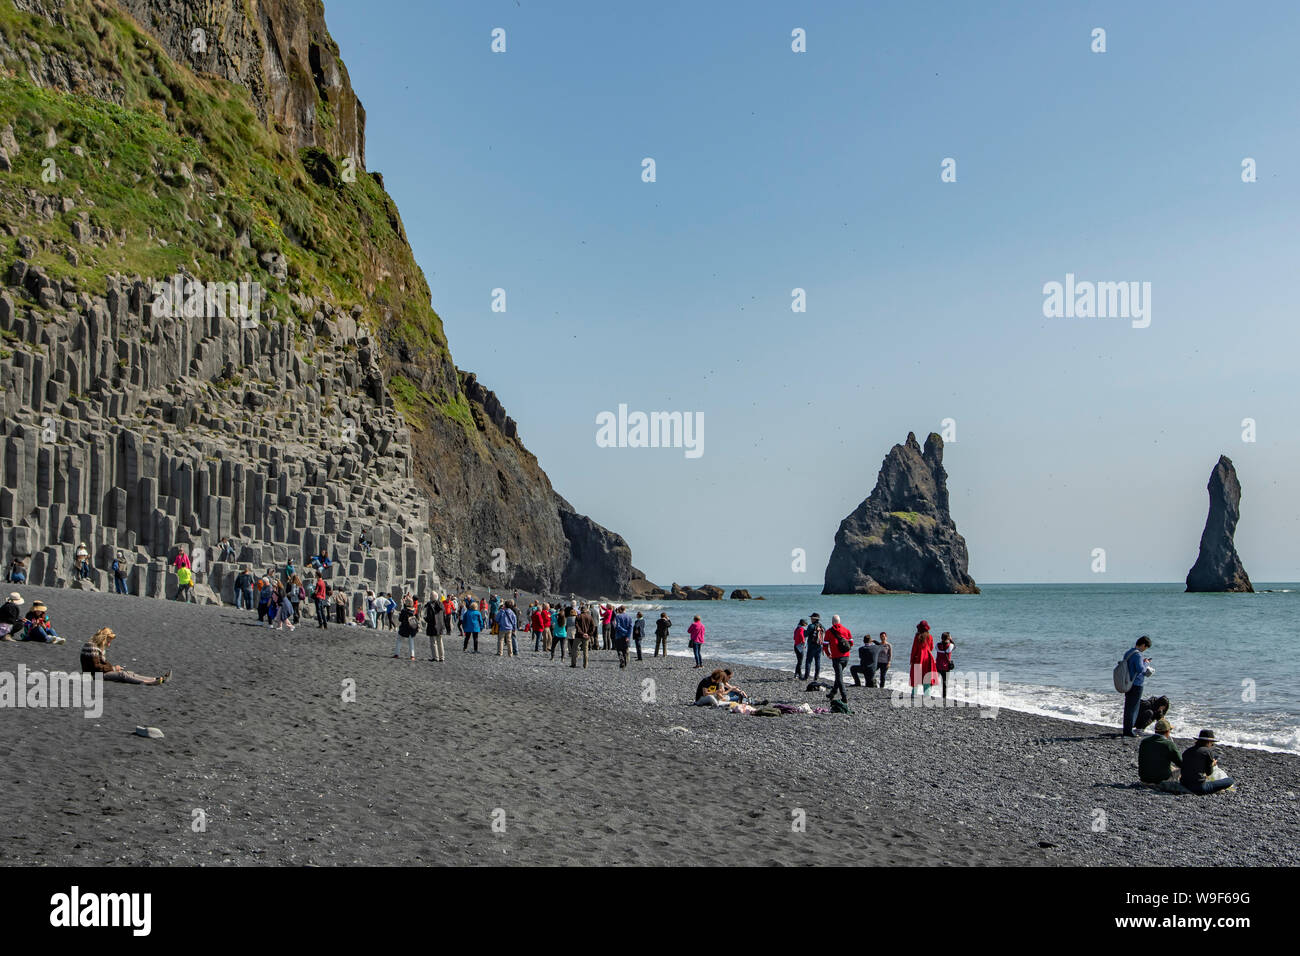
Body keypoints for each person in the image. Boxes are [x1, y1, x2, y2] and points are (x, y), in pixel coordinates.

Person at [81, 628, 170, 685]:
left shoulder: (97, 647)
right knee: (122, 674)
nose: (109, 643)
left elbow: (101, 665)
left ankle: (155, 679)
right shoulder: (91, 647)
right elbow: (97, 667)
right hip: (93, 675)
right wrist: (114, 668)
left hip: (98, 673)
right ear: (104, 638)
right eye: (109, 640)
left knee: (129, 673)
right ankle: (147, 682)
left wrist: (113, 668)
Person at [1180, 730, 1235, 795]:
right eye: (1212, 743)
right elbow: (1209, 773)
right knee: (1230, 780)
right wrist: (1213, 764)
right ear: (1209, 742)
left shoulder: (1187, 751)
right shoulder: (1207, 752)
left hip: (1184, 784)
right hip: (1199, 787)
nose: (1212, 745)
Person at [1119, 636, 1154, 737]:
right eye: (1145, 647)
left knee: (1128, 707)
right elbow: (1140, 670)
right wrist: (1146, 665)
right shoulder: (1138, 655)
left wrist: (1143, 661)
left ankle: (1126, 729)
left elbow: (1131, 666)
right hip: (1136, 684)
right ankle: (1129, 731)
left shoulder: (1129, 652)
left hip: (1127, 682)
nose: (1144, 649)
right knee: (1133, 707)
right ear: (1143, 645)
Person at [1138, 718, 1182, 786]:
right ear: (1167, 731)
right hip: (1161, 780)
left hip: (1144, 778)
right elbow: (1180, 763)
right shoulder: (1168, 744)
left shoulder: (1145, 742)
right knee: (1183, 768)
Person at [824, 614, 853, 703]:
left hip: (836, 657)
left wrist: (828, 654)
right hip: (846, 657)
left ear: (832, 622)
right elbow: (851, 643)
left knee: (839, 677)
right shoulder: (846, 630)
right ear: (839, 621)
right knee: (838, 675)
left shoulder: (829, 631)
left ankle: (844, 696)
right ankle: (833, 692)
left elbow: (825, 645)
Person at [909, 621, 937, 700]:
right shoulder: (930, 636)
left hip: (918, 657)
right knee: (927, 675)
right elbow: (931, 647)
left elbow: (914, 648)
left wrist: (912, 659)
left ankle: (914, 693)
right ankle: (927, 694)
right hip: (928, 657)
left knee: (916, 675)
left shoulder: (917, 636)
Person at [803, 613, 824, 680]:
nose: (811, 619)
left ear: (814, 619)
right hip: (819, 645)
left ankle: (806, 676)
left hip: (812, 645)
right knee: (817, 661)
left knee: (808, 661)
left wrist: (804, 631)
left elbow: (805, 634)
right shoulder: (822, 626)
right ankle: (816, 676)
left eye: (811, 618)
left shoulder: (811, 626)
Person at [424, 594, 445, 661]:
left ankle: (435, 657)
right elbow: (443, 615)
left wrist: (425, 619)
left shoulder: (430, 605)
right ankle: (442, 657)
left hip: (433, 626)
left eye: (430, 596)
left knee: (433, 642)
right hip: (440, 625)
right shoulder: (441, 604)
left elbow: (429, 617)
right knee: (440, 642)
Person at [936, 632, 956, 699]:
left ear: (941, 638)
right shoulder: (950, 646)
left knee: (934, 680)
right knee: (944, 683)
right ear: (948, 638)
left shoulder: (937, 645)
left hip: (937, 666)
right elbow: (954, 646)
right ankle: (944, 697)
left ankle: (928, 692)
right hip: (945, 667)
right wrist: (951, 639)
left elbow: (937, 648)